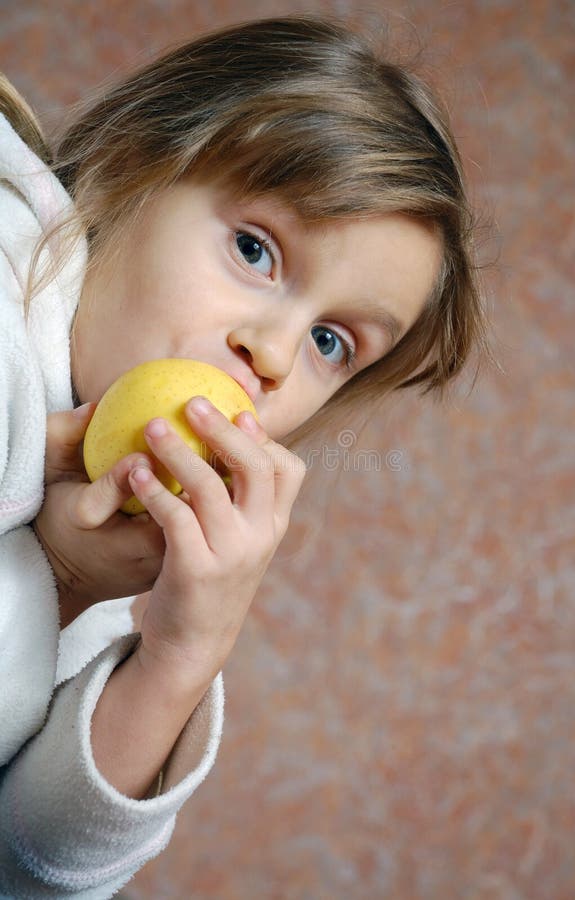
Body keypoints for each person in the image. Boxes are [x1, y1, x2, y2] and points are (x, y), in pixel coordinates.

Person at [0, 15, 487, 898]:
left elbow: (30, 871)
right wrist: (54, 576)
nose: (272, 353)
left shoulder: (123, 552)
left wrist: (178, 652)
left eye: (331, 342)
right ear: (129, 168)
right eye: (255, 249)